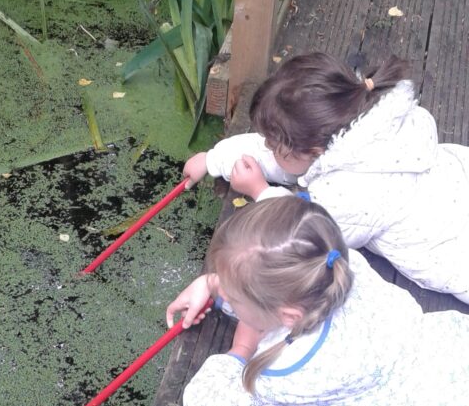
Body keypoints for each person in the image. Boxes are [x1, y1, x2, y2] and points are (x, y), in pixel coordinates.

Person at [166, 197, 469, 406]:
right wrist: (214, 283)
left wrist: (242, 346)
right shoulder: (330, 261)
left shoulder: (292, 371)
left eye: (234, 298)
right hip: (451, 348)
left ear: (289, 317)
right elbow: (284, 229)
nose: (227, 298)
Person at [183, 52, 469, 303]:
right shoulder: (358, 116)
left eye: (273, 143)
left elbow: (306, 231)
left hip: (452, 253)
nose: (267, 147)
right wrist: (213, 159)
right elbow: (286, 156)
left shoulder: (349, 191)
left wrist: (259, 191)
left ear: (313, 150)